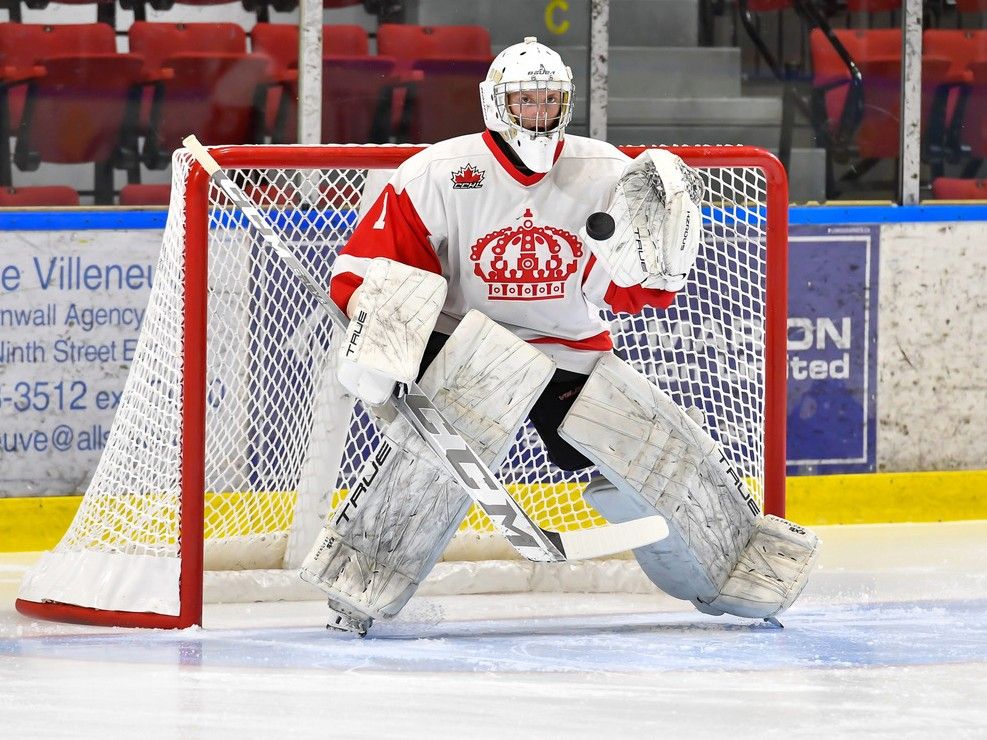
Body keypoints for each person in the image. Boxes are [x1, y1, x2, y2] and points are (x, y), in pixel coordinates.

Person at [300, 36, 820, 635]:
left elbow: (622, 291)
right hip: (470, 348)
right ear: (496, 103)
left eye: (550, 100)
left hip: (573, 353)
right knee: (442, 453)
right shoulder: (441, 171)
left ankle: (734, 566)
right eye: (526, 101)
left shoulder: (608, 172)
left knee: (658, 450)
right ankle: (361, 577)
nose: (538, 113)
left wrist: (652, 273)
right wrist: (383, 343)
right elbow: (372, 267)